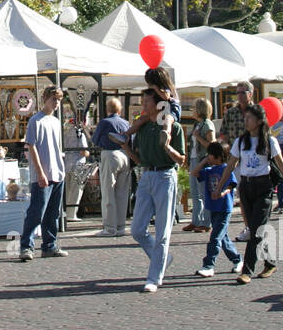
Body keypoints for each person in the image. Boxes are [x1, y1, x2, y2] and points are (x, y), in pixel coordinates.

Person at [214, 102, 283, 285]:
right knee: (255, 230)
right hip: (246, 187)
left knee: (256, 230)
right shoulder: (241, 141)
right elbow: (231, 165)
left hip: (263, 187)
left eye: (249, 118)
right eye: (245, 118)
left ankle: (247, 271)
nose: (246, 121)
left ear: (260, 121)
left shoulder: (269, 141)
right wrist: (220, 186)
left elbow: (281, 164)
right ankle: (270, 262)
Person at [119, 87, 186, 293]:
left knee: (163, 229)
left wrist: (167, 147)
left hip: (165, 176)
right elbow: (140, 159)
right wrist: (126, 148)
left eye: (146, 102)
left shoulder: (173, 127)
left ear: (158, 105)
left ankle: (154, 278)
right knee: (137, 229)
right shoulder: (143, 128)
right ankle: (163, 259)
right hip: (147, 176)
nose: (143, 106)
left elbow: (181, 160)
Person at [19, 86, 68, 261]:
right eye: (54, 99)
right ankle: (26, 246)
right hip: (43, 173)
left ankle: (49, 245)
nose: (56, 103)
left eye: (59, 100)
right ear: (45, 99)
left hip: (57, 172)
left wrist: (61, 168)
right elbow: (31, 147)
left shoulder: (55, 121)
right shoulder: (35, 121)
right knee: (37, 212)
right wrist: (40, 173)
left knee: (53, 214)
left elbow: (56, 147)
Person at [193, 142, 239, 277]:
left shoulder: (226, 169)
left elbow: (231, 185)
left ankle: (208, 265)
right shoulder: (209, 170)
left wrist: (223, 192)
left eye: (210, 155)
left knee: (215, 237)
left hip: (224, 208)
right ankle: (237, 259)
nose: (208, 157)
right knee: (223, 238)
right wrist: (203, 162)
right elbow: (194, 173)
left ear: (218, 156)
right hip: (213, 208)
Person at [92, 98, 132, 237]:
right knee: (122, 193)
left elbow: (95, 140)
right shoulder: (125, 123)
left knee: (108, 192)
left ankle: (109, 227)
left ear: (107, 109)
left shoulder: (104, 122)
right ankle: (121, 226)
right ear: (120, 109)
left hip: (109, 154)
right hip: (124, 155)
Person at [185, 98, 215, 232]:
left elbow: (212, 145)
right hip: (194, 159)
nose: (192, 111)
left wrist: (198, 137)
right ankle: (196, 220)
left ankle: (206, 222)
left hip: (203, 160)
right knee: (195, 193)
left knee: (203, 192)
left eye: (194, 108)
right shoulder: (198, 124)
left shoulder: (207, 124)